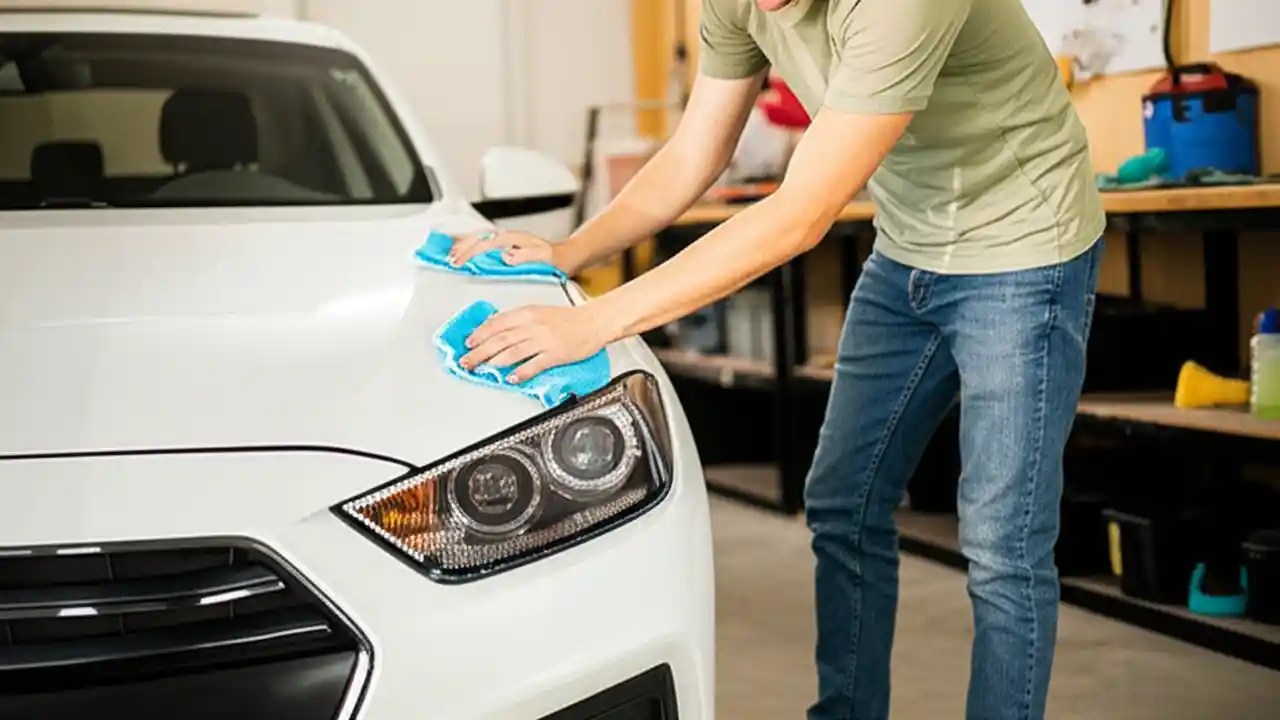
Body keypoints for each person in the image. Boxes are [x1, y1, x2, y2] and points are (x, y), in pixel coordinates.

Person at [449, 0, 1104, 717]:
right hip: (911, 247)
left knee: (1001, 543)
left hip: (1026, 250)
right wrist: (572, 252)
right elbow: (695, 153)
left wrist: (596, 321)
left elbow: (800, 215)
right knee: (842, 503)